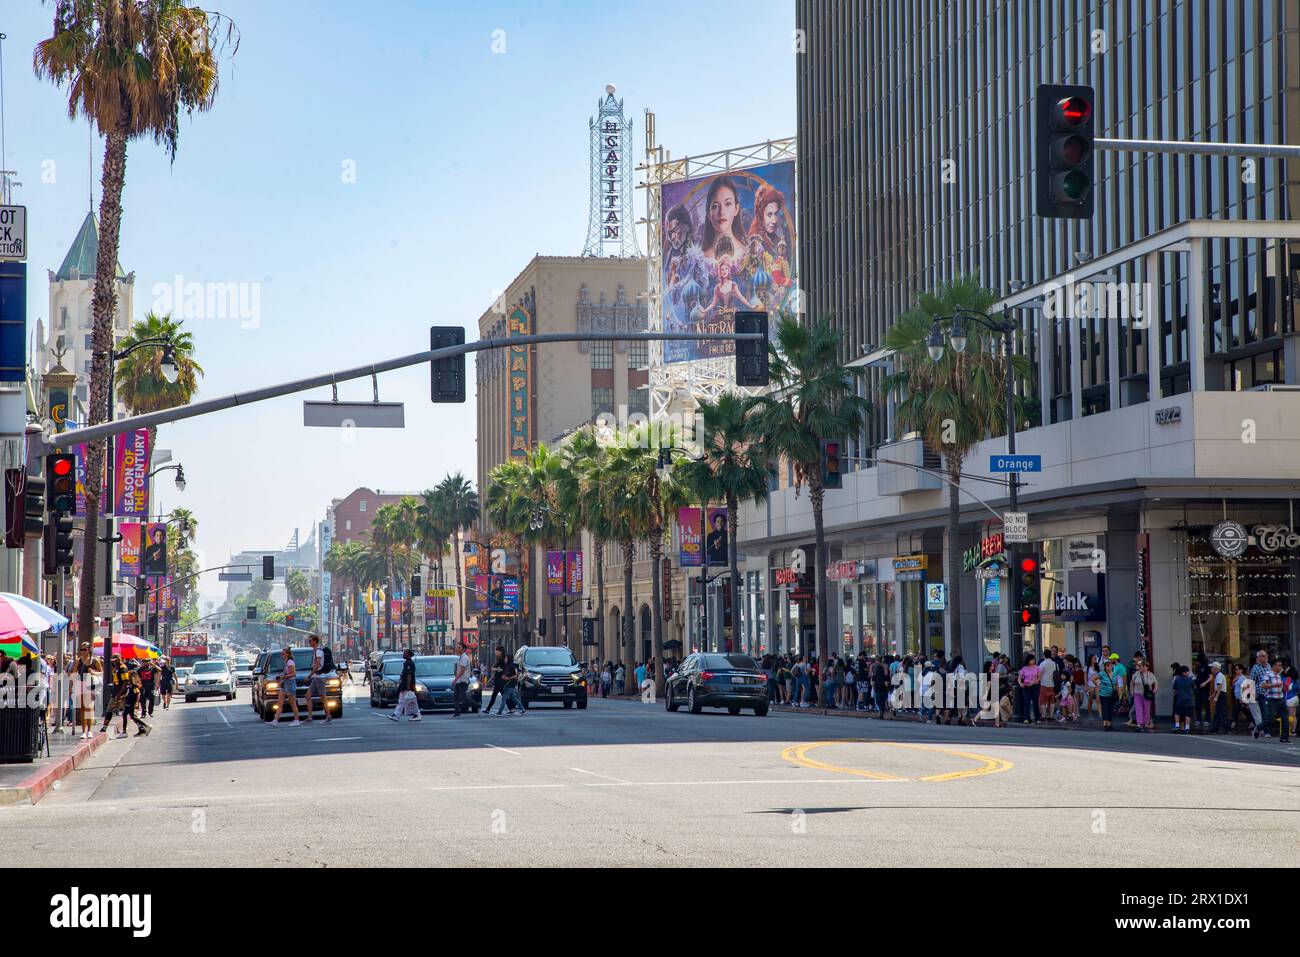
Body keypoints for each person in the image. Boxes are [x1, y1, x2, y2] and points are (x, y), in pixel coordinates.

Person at [98, 657, 151, 738]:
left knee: (126, 713)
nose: (114, 662)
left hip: (122, 694)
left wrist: (120, 694)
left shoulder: (123, 668)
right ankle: (141, 728)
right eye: (113, 661)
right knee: (124, 713)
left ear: (119, 660)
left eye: (115, 661)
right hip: (117, 693)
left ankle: (131, 729)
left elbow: (125, 682)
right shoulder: (116, 668)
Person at [303, 635, 332, 723]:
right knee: (308, 695)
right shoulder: (316, 651)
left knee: (323, 697)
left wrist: (309, 676)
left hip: (320, 677)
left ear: (315, 641)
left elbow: (317, 666)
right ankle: (310, 717)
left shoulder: (319, 652)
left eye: (310, 641)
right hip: (316, 677)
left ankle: (328, 716)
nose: (309, 643)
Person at [271, 645, 302, 726]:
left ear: (287, 654)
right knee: (279, 703)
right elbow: (287, 673)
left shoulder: (290, 662)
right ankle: (275, 720)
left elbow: (293, 674)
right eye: (282, 654)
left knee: (292, 703)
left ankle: (296, 720)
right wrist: (281, 676)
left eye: (283, 654)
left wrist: (283, 677)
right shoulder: (286, 662)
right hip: (285, 684)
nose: (282, 655)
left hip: (290, 684)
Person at [388, 649, 421, 723]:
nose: (403, 654)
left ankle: (417, 715)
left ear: (409, 655)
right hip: (404, 685)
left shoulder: (409, 664)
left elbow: (409, 675)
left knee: (409, 700)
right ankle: (397, 715)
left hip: (407, 685)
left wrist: (408, 686)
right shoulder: (407, 663)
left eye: (405, 653)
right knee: (403, 700)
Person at [1231, 664, 1262, 738]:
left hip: (1241, 697)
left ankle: (1233, 723)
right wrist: (1233, 681)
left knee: (1238, 710)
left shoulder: (1242, 678)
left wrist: (1243, 697)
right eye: (1235, 669)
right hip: (1237, 697)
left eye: (1237, 669)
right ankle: (1251, 723)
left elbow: (1244, 688)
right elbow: (1232, 687)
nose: (1236, 671)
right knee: (1245, 711)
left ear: (1241, 670)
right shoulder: (1236, 677)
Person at [1130, 658, 1158, 732]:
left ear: (1146, 667)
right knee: (1138, 709)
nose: (1140, 667)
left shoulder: (1151, 675)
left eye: (1142, 666)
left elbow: (1156, 683)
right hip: (1137, 693)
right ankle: (1139, 724)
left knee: (1147, 709)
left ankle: (1146, 723)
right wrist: (1132, 691)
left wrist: (1155, 690)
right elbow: (1132, 683)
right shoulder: (1136, 674)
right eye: (1140, 666)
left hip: (1147, 694)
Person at [1093, 659, 1120, 731]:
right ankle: (1105, 723)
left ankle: (1109, 724)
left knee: (1111, 709)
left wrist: (1119, 694)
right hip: (1103, 694)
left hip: (1112, 694)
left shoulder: (1114, 673)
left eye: (1111, 666)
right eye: (1108, 666)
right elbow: (1093, 678)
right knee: (1105, 709)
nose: (1109, 668)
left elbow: (1116, 684)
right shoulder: (1102, 673)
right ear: (1105, 667)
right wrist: (1097, 686)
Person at [1170, 664, 1195, 733]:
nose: (1189, 673)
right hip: (1189, 700)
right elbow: (1193, 687)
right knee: (1188, 714)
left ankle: (1177, 726)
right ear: (1184, 672)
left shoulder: (1177, 680)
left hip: (1180, 699)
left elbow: (1174, 690)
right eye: (1187, 672)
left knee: (1177, 713)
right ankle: (1187, 728)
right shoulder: (1190, 680)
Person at [1017, 654, 1042, 724]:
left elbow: (1039, 678)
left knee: (1035, 702)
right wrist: (1020, 683)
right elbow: (1019, 677)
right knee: (1026, 702)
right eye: (1032, 659)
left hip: (1035, 686)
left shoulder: (1037, 668)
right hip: (1026, 686)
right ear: (1028, 660)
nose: (1033, 661)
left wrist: (1033, 683)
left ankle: (1037, 718)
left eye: (1034, 660)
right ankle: (1027, 718)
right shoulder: (1024, 668)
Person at [451, 640, 473, 717]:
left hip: (463, 680)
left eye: (459, 647)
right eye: (457, 647)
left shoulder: (464, 658)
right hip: (459, 680)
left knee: (464, 697)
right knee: (456, 697)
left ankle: (476, 704)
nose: (458, 649)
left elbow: (463, 670)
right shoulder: (460, 657)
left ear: (464, 649)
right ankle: (457, 712)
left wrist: (455, 679)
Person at [483, 647, 507, 716]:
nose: (495, 652)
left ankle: (488, 709)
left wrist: (494, 669)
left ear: (501, 652)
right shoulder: (498, 659)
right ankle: (511, 708)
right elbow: (496, 672)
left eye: (497, 651)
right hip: (497, 680)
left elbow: (503, 669)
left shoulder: (502, 660)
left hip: (500, 680)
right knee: (504, 695)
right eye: (495, 651)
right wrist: (490, 679)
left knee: (495, 696)